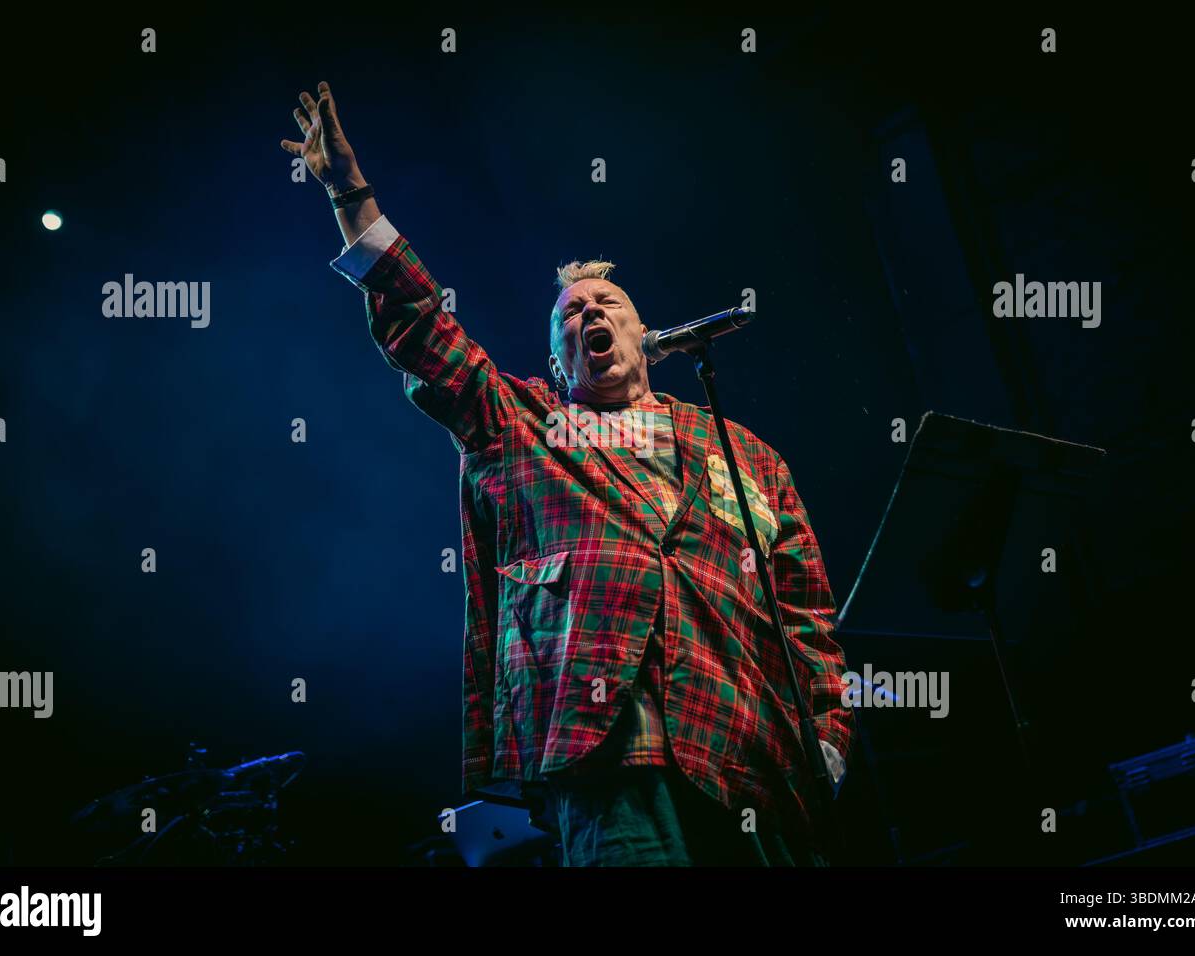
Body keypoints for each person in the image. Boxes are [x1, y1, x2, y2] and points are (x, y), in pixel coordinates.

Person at [281, 82, 852, 866]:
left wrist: (827, 737)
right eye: (571, 312)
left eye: (606, 303)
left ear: (645, 335)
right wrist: (350, 191)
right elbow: (422, 327)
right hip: (609, 740)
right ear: (557, 358)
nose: (589, 313)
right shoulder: (522, 425)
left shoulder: (744, 452)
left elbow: (806, 612)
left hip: (750, 745)